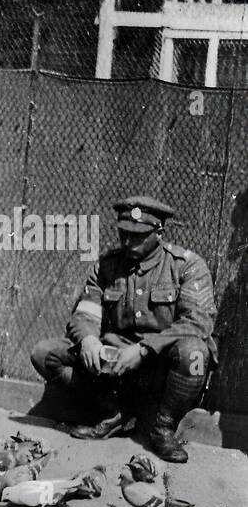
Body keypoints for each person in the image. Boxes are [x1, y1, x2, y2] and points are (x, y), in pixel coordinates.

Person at [30, 196, 215, 464]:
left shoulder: (186, 266)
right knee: (45, 353)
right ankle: (113, 413)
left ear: (159, 233)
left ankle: (162, 428)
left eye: (138, 236)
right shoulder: (107, 266)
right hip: (116, 364)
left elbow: (198, 322)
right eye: (123, 234)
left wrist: (144, 349)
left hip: (161, 365)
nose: (128, 242)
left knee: (195, 353)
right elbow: (85, 312)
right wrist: (89, 340)